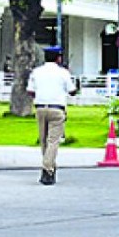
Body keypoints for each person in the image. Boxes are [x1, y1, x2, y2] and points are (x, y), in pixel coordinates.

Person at [27, 46, 74, 186]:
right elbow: (72, 90)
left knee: (43, 141)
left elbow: (30, 91)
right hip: (57, 109)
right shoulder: (63, 73)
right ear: (58, 58)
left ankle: (50, 170)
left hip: (40, 108)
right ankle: (47, 169)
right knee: (53, 141)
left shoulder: (37, 72)